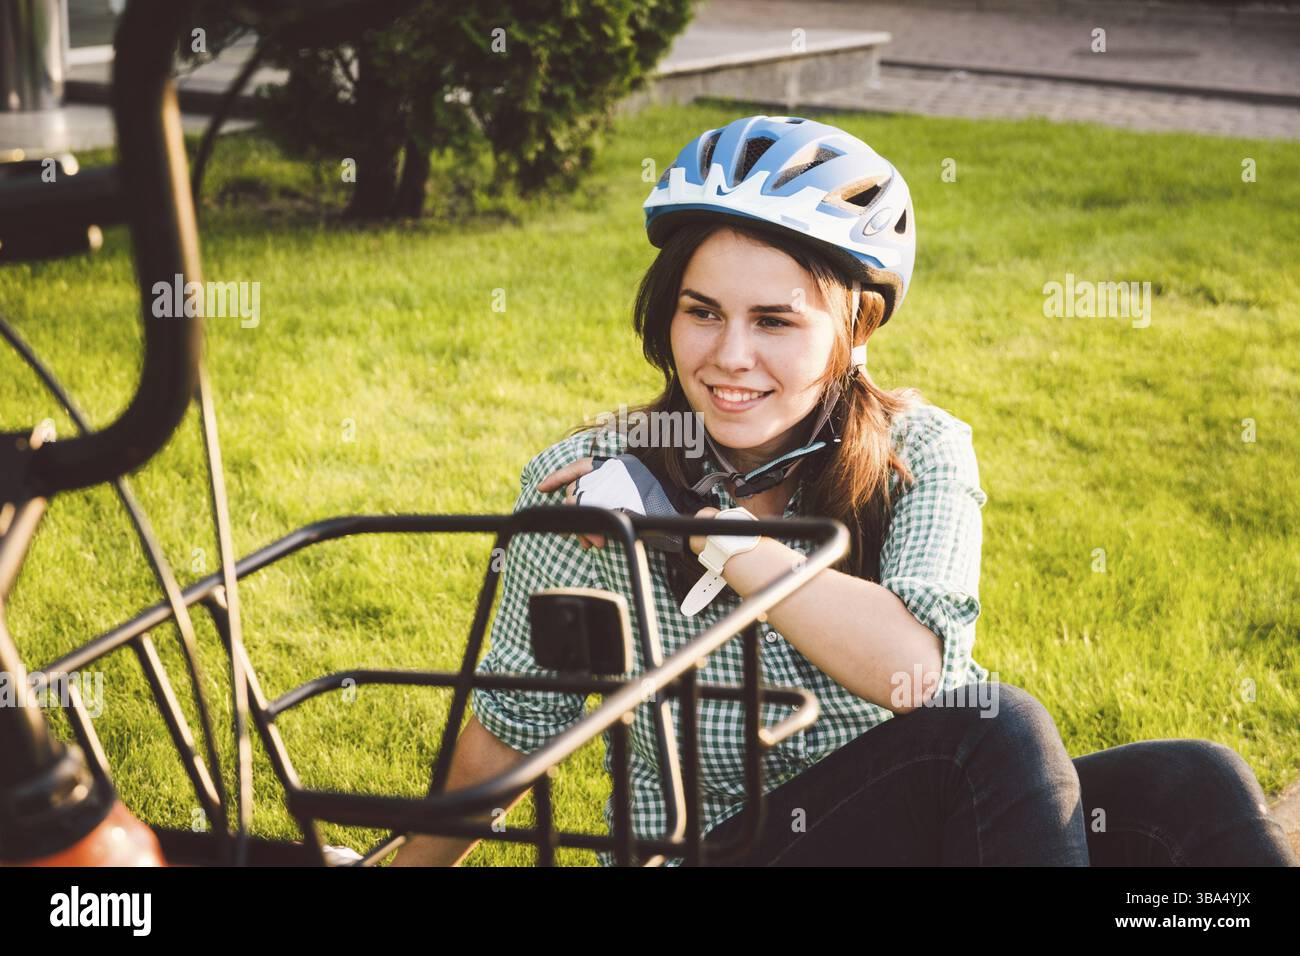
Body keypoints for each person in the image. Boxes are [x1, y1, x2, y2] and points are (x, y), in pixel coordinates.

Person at [391, 115, 1295, 867]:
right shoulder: (593, 478)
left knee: (1196, 781)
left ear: (856, 329)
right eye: (701, 311)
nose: (729, 356)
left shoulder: (919, 451)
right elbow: (512, 729)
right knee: (993, 728)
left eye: (775, 321)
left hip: (927, 824)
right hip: (720, 854)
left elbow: (915, 672)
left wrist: (712, 534)